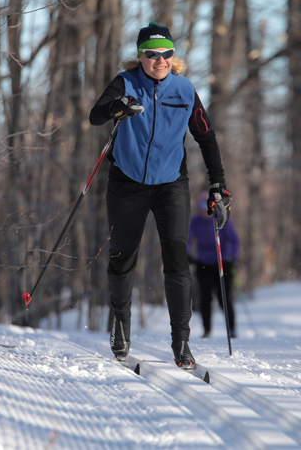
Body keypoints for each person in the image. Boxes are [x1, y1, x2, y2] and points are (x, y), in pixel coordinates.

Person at [88, 22, 231, 369]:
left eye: (166, 53)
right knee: (122, 258)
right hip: (127, 183)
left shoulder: (184, 90)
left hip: (170, 185)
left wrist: (218, 185)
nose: (160, 60)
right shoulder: (125, 83)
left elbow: (206, 137)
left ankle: (181, 342)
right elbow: (95, 115)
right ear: (140, 56)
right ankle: (120, 330)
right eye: (152, 54)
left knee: (177, 260)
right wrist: (117, 107)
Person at [187, 192, 240, 339]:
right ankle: (207, 329)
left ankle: (231, 328)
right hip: (203, 263)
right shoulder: (196, 221)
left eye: (208, 205)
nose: (205, 208)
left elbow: (234, 241)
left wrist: (234, 257)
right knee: (205, 298)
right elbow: (188, 240)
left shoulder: (221, 218)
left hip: (222, 262)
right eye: (202, 205)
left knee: (224, 297)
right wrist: (188, 254)